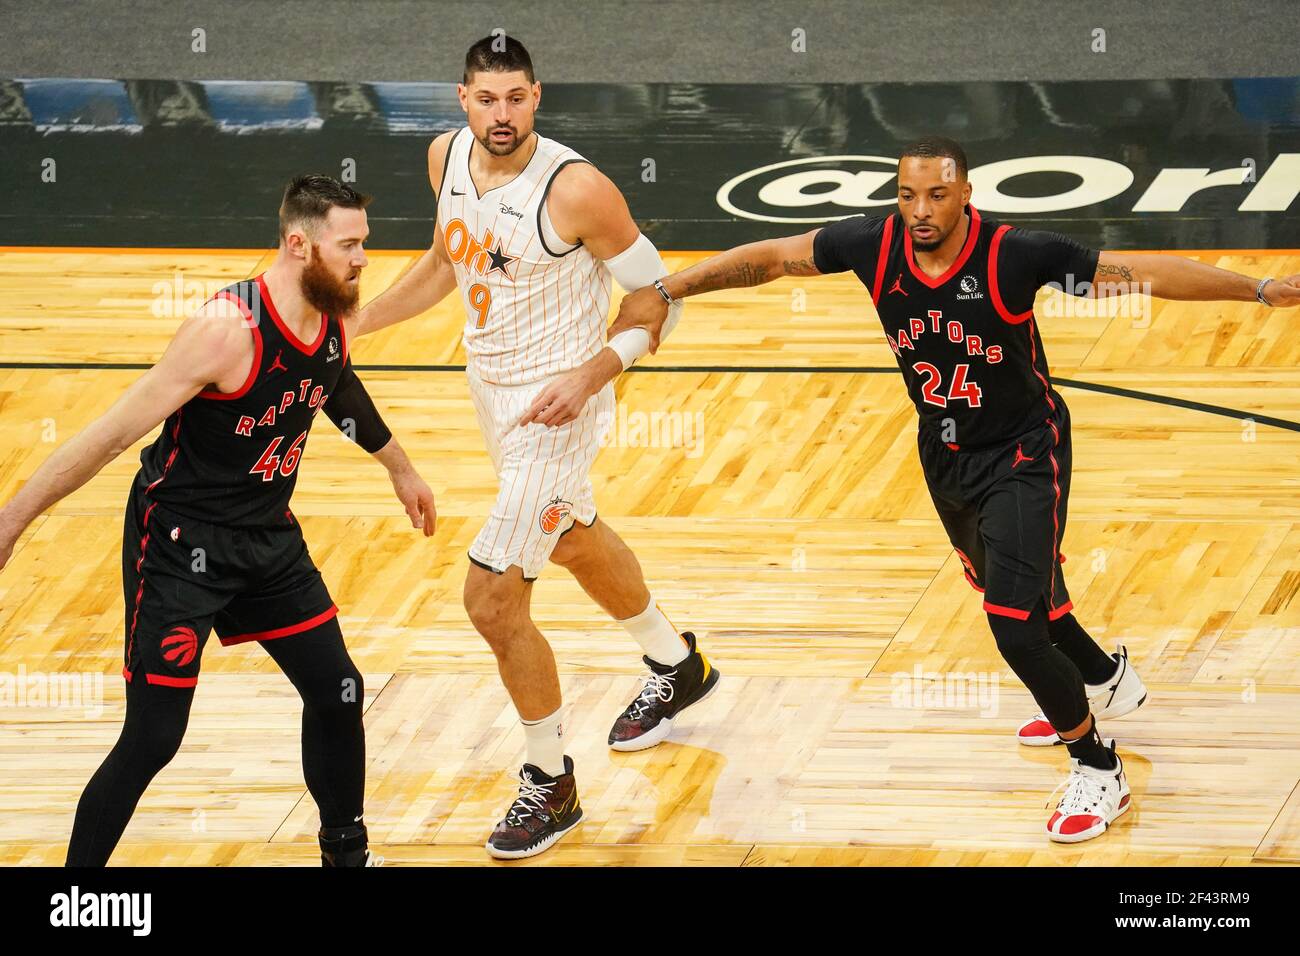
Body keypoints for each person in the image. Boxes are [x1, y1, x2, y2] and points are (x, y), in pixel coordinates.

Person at [576, 135, 1300, 843]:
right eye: (907, 194)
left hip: (1025, 450)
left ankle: (1097, 765)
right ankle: (1104, 678)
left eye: (936, 194)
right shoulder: (873, 245)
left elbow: (1142, 273)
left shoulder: (1015, 255)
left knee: (1014, 621)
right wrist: (666, 287)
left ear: (966, 195)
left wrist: (1260, 289)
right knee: (1021, 590)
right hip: (945, 454)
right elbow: (769, 260)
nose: (919, 209)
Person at [0, 174, 436, 866]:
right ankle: (74, 898)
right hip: (178, 545)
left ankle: (345, 856)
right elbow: (111, 435)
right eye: (349, 245)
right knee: (153, 739)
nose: (363, 260)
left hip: (268, 538)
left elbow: (332, 381)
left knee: (338, 691)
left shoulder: (329, 316)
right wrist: (13, 518)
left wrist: (399, 466)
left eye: (364, 243)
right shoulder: (223, 332)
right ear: (299, 244)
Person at [355, 35, 718, 859]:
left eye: (517, 97)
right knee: (571, 537)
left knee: (490, 600)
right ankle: (676, 663)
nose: (503, 114)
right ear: (461, 100)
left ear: (538, 96)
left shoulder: (577, 189)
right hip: (493, 397)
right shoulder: (444, 157)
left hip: (560, 410)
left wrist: (594, 373)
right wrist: (358, 323)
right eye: (488, 99)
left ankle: (549, 781)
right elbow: (449, 261)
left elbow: (659, 297)